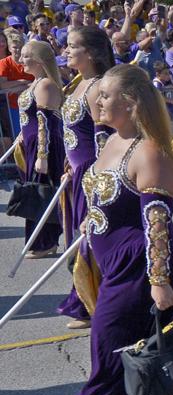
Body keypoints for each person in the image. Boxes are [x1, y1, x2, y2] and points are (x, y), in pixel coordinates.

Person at [71, 65, 173, 395]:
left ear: (132, 103)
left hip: (142, 260)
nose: (98, 100)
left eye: (106, 95)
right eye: (98, 94)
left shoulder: (149, 150)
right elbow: (106, 193)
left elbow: (156, 223)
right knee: (154, 334)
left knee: (108, 334)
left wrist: (159, 280)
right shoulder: (111, 139)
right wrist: (92, 217)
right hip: (114, 258)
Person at [57, 26, 115, 330]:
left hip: (91, 174)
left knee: (90, 238)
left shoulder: (96, 88)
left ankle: (92, 302)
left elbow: (103, 140)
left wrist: (98, 179)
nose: (66, 51)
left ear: (90, 53)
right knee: (76, 236)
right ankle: (84, 296)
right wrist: (69, 160)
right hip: (76, 172)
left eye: (72, 46)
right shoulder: (79, 84)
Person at [17, 40, 65, 258]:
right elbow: (28, 119)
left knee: (42, 192)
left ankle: (46, 242)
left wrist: (42, 155)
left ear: (38, 59)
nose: (20, 60)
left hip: (42, 145)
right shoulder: (34, 84)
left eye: (26, 56)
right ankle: (40, 241)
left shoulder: (45, 85)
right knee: (34, 191)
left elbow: (44, 121)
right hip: (30, 144)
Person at [0, 32, 33, 137]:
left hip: (31, 105)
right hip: (13, 107)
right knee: (18, 136)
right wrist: (23, 82)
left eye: (20, 47)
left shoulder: (29, 61)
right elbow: (3, 85)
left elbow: (37, 81)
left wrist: (18, 87)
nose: (18, 50)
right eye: (15, 47)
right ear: (9, 48)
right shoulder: (4, 62)